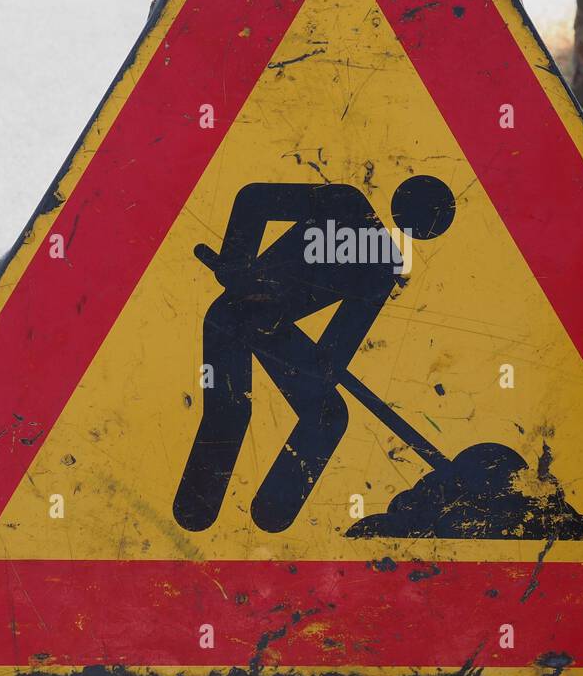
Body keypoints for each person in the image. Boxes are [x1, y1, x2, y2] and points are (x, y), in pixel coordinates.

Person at [174, 175, 456, 533]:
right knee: (229, 408)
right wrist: (236, 261)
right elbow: (253, 200)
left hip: (276, 331)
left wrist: (319, 366)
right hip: (231, 315)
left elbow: (337, 348)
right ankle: (195, 511)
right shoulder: (345, 201)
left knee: (327, 415)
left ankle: (272, 517)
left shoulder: (385, 267)